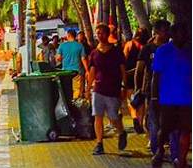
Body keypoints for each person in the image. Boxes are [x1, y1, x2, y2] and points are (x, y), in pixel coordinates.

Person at [135, 20, 178, 158]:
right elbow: (139, 70)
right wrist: (138, 88)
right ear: (157, 31)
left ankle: (174, 153)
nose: (167, 34)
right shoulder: (148, 49)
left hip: (171, 91)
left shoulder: (173, 49)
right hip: (152, 91)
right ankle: (156, 150)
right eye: (165, 30)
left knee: (171, 123)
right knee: (154, 122)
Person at [151, 23, 191, 167]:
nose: (180, 37)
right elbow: (156, 75)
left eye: (183, 33)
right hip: (167, 97)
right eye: (177, 34)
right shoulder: (163, 51)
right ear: (172, 35)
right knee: (165, 129)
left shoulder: (189, 51)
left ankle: (181, 159)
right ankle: (159, 150)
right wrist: (154, 97)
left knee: (186, 130)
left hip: (187, 99)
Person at [86, 23, 128, 155]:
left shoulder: (116, 51)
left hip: (113, 89)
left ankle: (121, 132)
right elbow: (92, 71)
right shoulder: (94, 53)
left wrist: (124, 86)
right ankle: (99, 144)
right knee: (97, 117)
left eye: (102, 33)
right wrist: (88, 88)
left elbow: (122, 70)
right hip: (98, 89)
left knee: (113, 117)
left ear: (107, 34)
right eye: (97, 33)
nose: (99, 35)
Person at [123, 27, 150, 134]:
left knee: (131, 99)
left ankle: (134, 117)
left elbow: (123, 59)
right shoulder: (146, 47)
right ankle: (140, 121)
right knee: (141, 100)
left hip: (129, 74)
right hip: (143, 76)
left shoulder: (129, 44)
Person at [56, 29, 89, 99]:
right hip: (77, 72)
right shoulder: (80, 46)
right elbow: (83, 59)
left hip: (65, 72)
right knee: (76, 91)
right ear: (75, 36)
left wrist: (63, 58)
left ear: (68, 35)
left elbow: (58, 59)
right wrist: (87, 70)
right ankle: (76, 105)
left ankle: (69, 106)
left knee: (67, 91)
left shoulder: (62, 45)